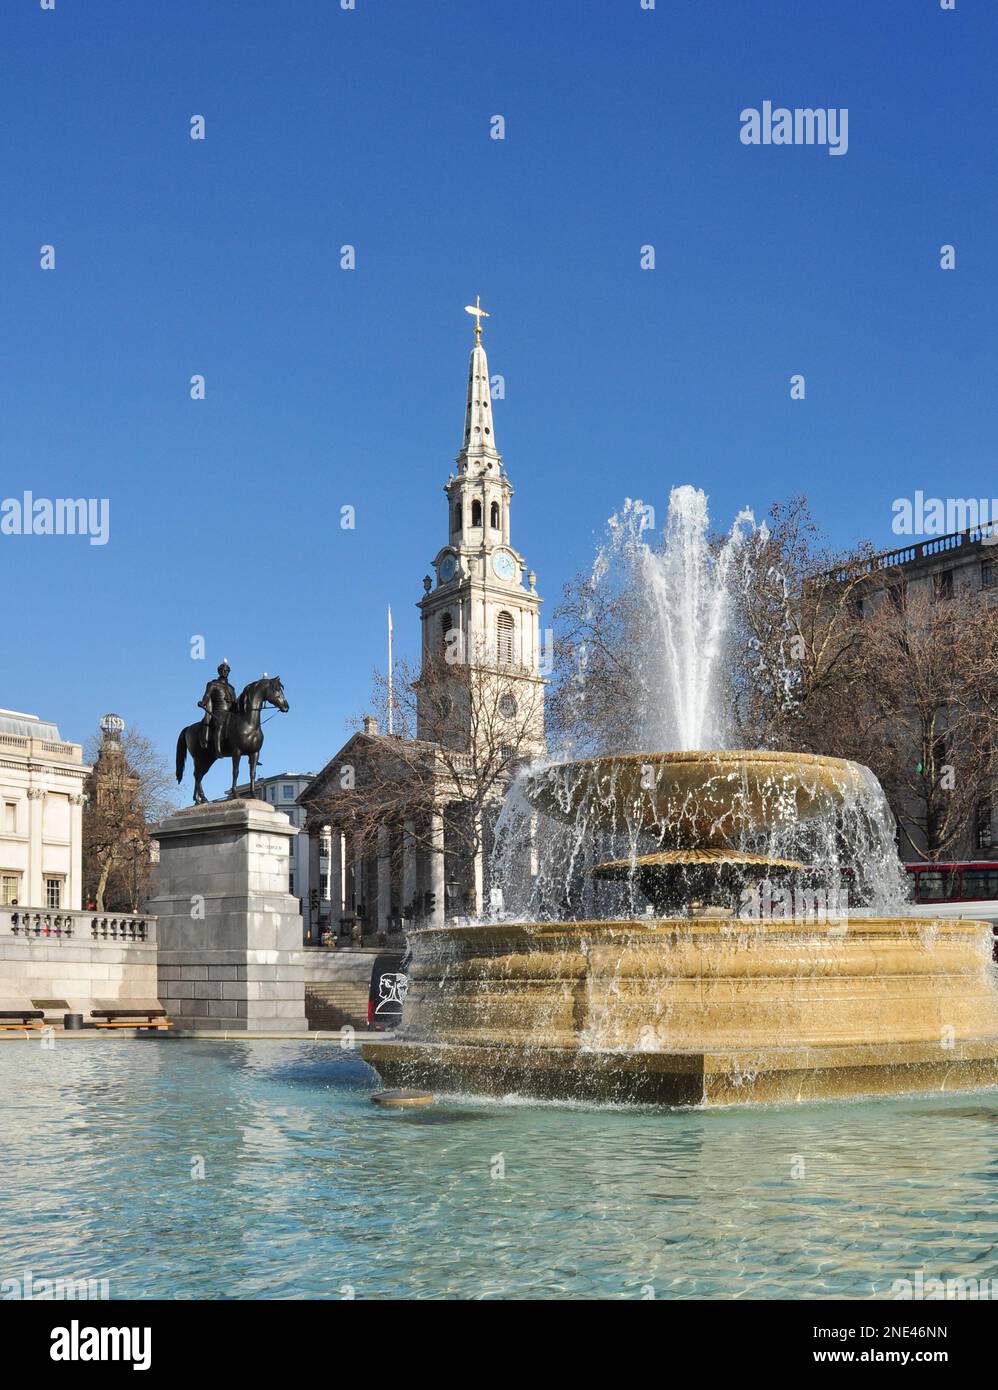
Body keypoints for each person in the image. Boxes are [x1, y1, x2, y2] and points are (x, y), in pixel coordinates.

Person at [198, 659, 238, 757]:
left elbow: (235, 701)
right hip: (218, 711)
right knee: (220, 724)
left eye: (227, 671)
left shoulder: (232, 688)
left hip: (231, 712)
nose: (225, 672)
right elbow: (207, 695)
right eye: (223, 670)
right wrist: (203, 702)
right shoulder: (213, 684)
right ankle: (218, 750)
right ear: (219, 671)